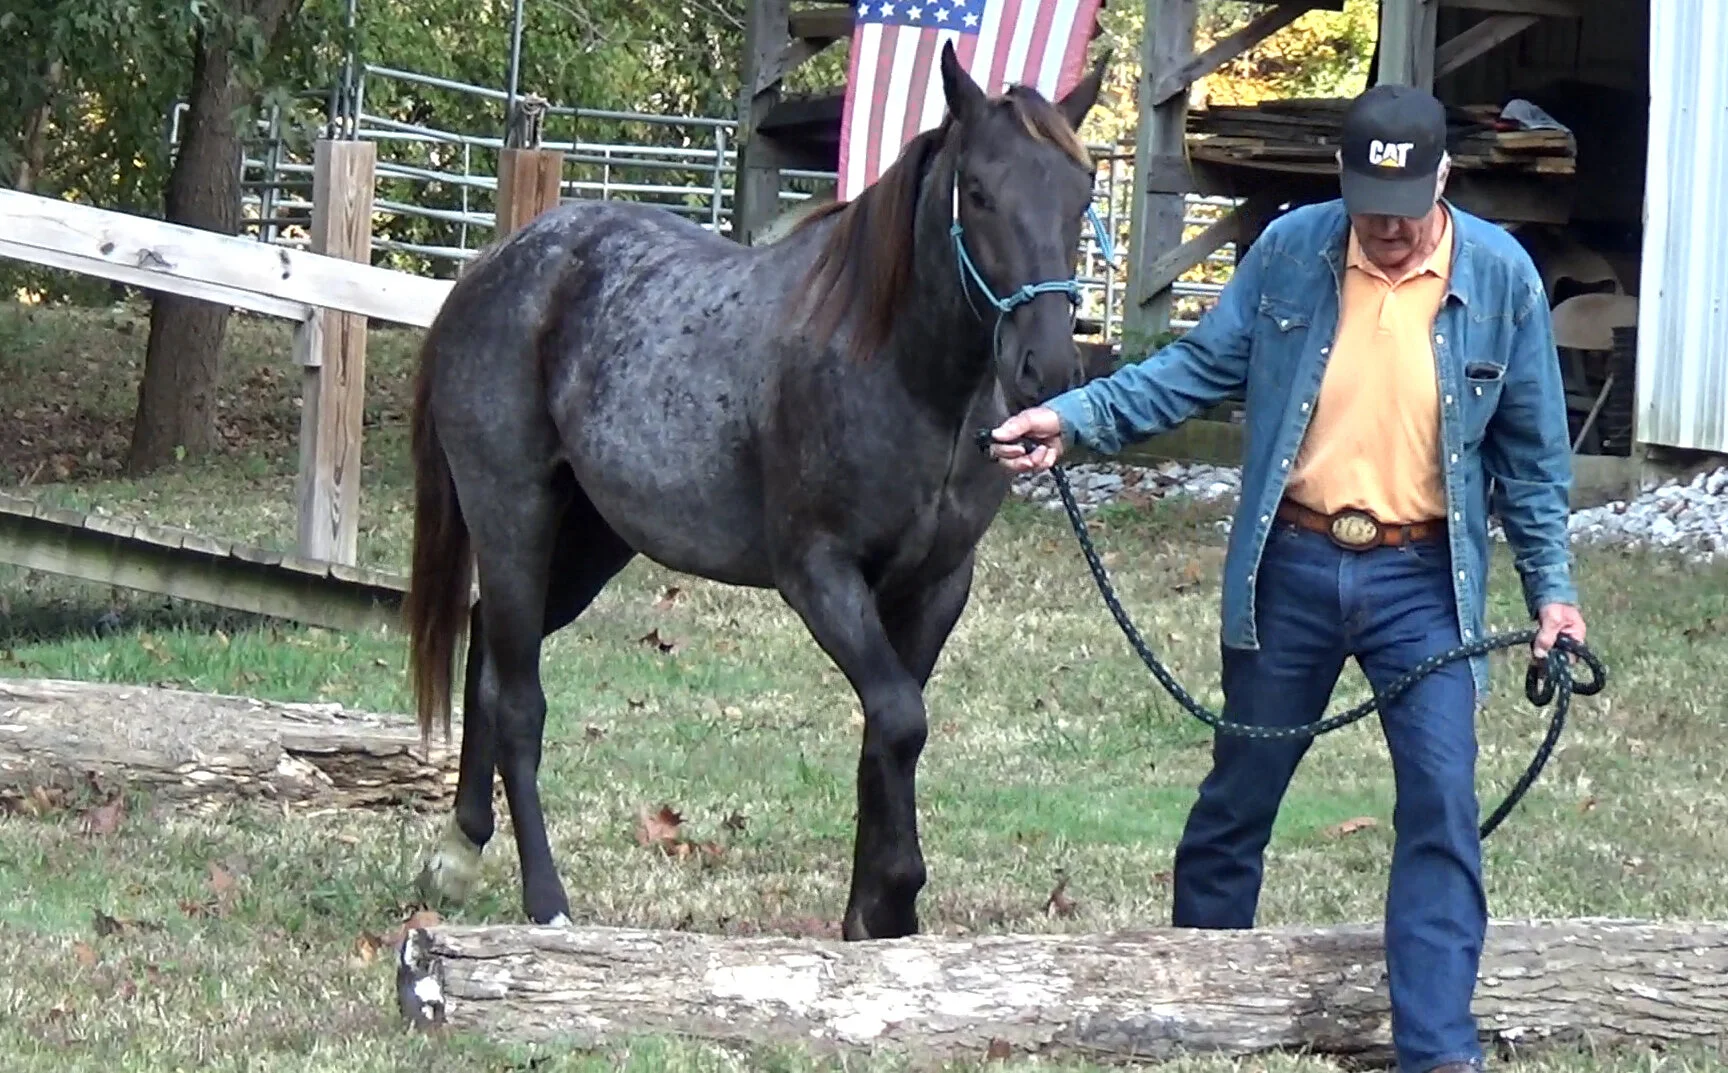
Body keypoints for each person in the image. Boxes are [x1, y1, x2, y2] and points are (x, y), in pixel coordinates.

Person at [987, 83, 1586, 1073]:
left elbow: (1532, 463)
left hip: (1425, 580)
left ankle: (1438, 1051)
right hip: (1293, 562)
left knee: (1441, 799)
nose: (1385, 232)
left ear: (1443, 179)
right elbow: (1194, 369)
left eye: (1403, 212)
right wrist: (1076, 420)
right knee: (1239, 794)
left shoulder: (1504, 279)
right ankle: (1201, 1010)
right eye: (1367, 210)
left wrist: (1552, 596)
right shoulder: (1293, 251)